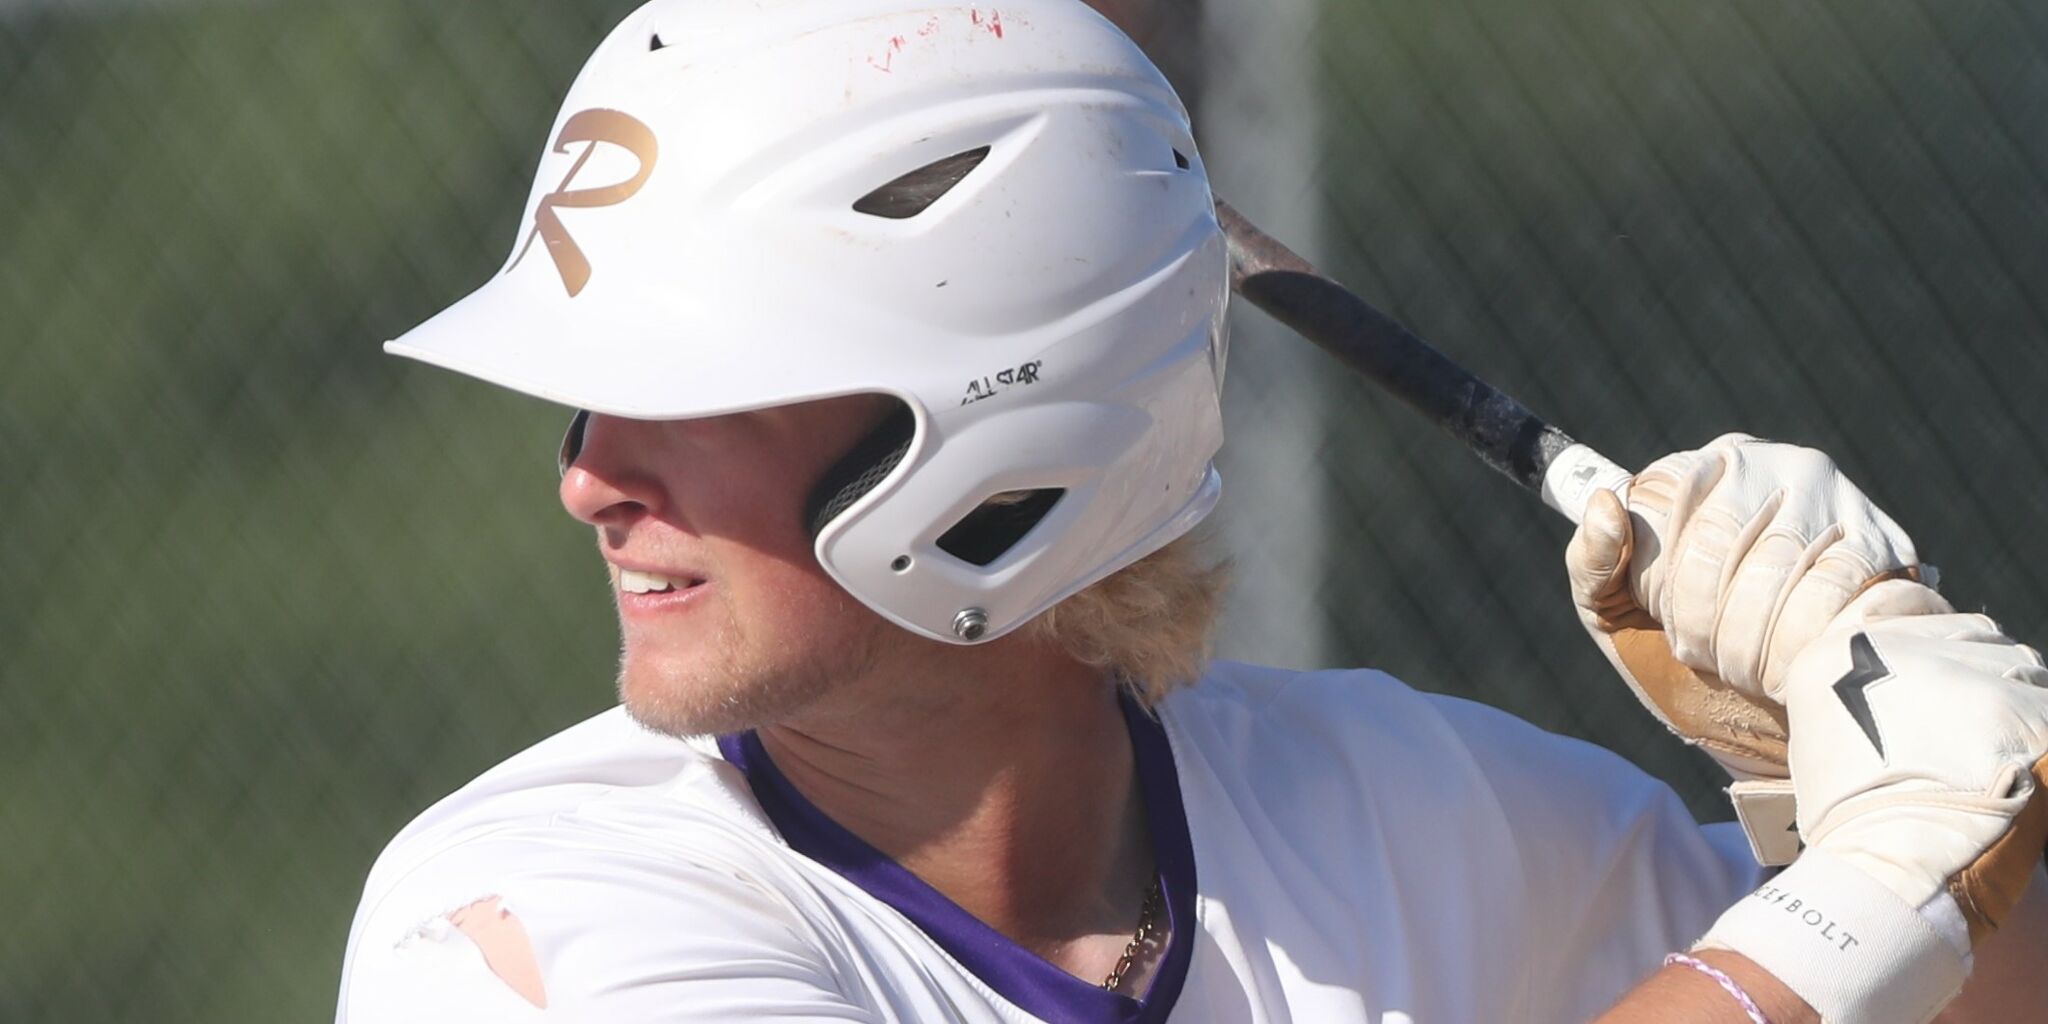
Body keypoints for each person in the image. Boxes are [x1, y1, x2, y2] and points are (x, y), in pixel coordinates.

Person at [337, 1, 2048, 1021]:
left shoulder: (1415, 814)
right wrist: (1811, 951)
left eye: (694, 390)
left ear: (1000, 436)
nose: (587, 477)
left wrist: (1905, 807)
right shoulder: (524, 917)